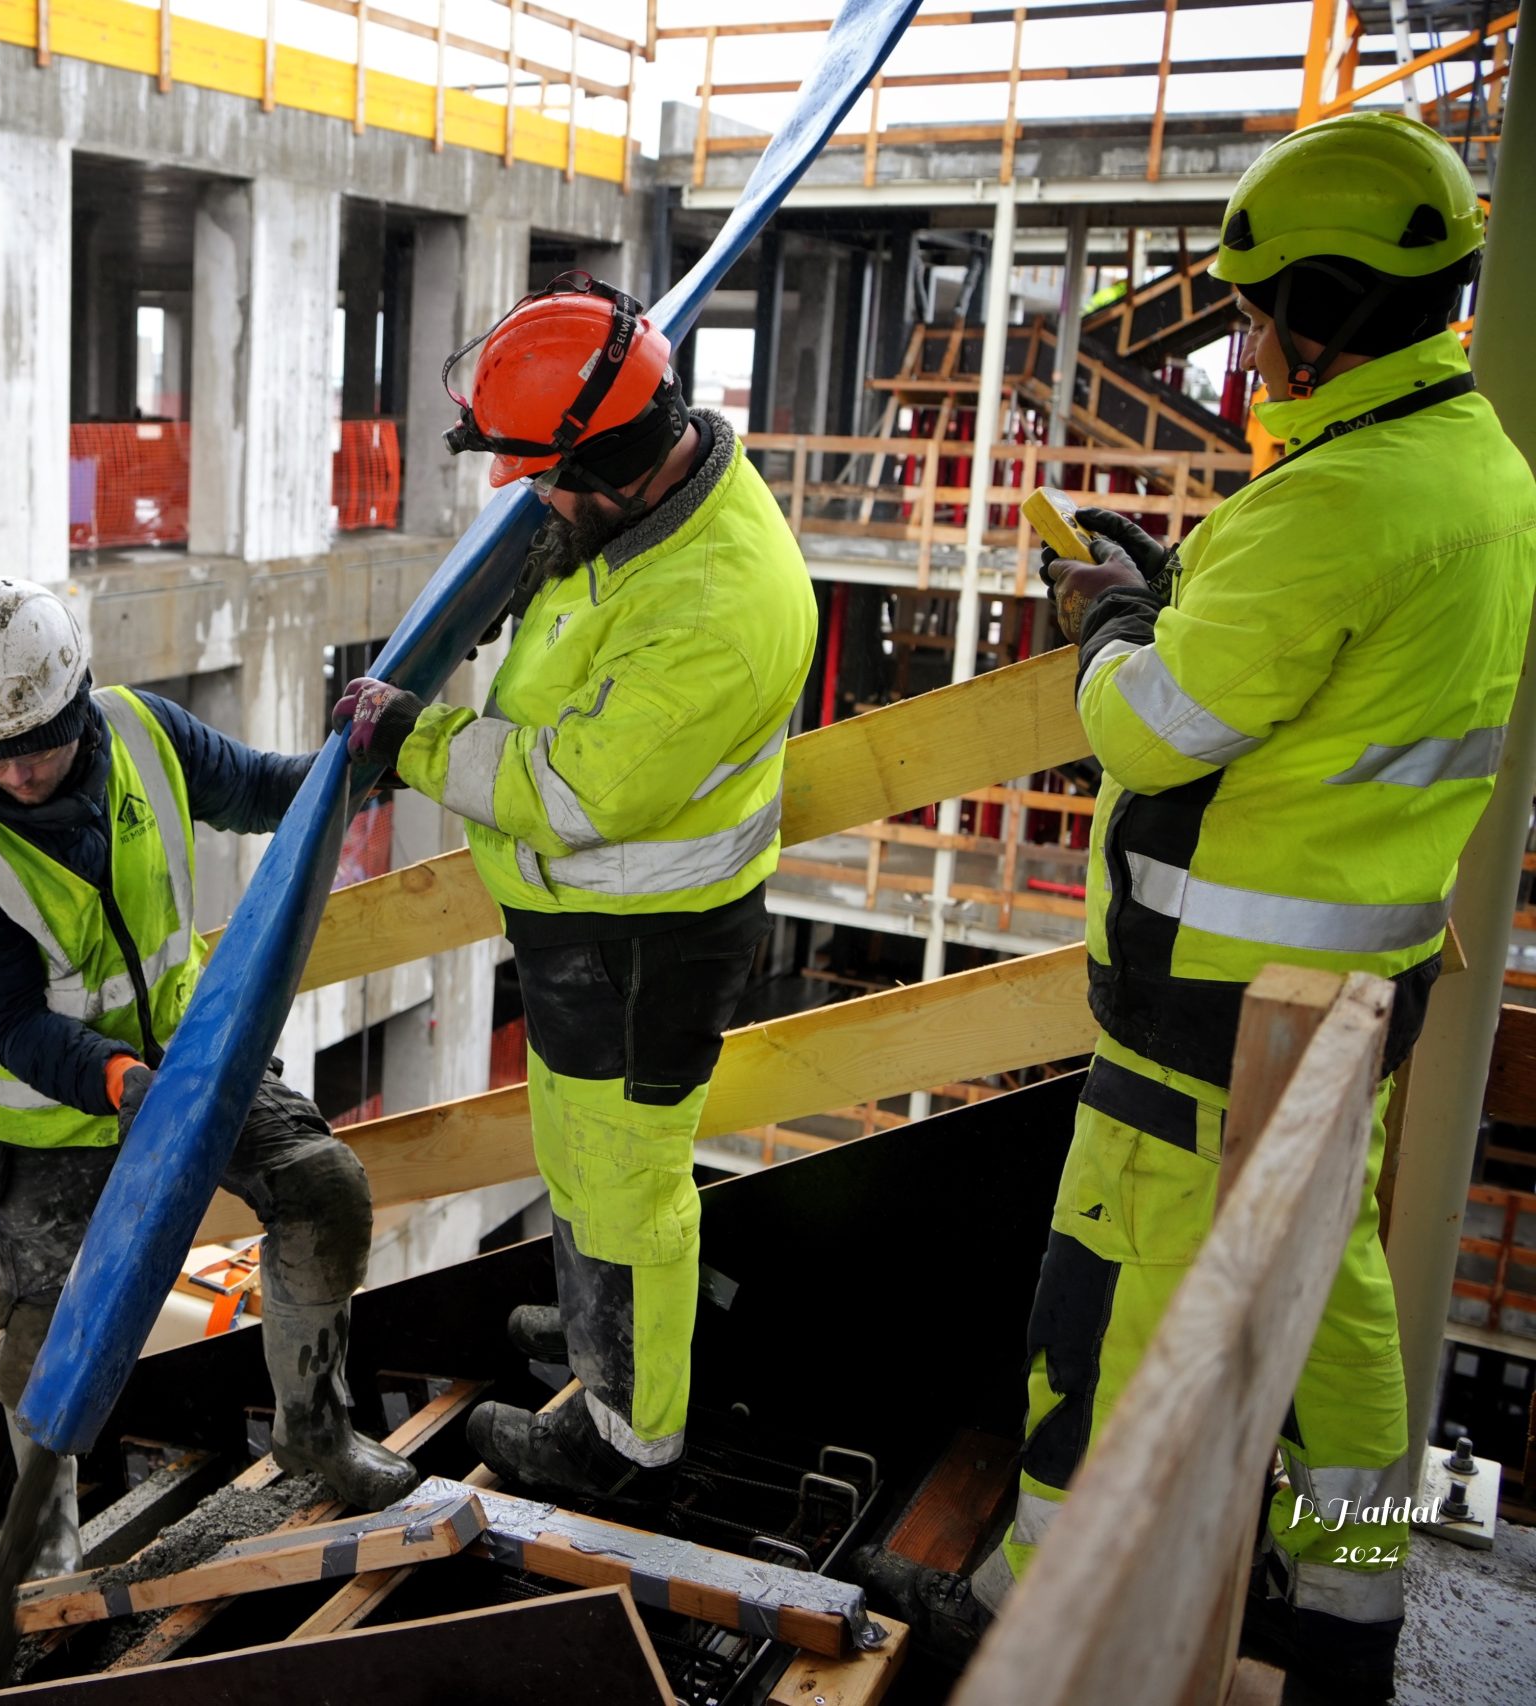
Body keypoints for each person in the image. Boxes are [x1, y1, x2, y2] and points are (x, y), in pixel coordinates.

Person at [862, 113, 1536, 1701]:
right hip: (1346, 989)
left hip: (1206, 1019)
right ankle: (1355, 1617)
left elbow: (1152, 727)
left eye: (1253, 314)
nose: (1242, 346)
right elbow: (1303, 681)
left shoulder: (1336, 501)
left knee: (1099, 1318)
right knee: (1336, 1310)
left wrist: (1106, 618)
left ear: (1321, 307)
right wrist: (1173, 601)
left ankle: (1037, 1617)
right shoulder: (1470, 461)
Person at [335, 273, 817, 1499]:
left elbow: (567, 788)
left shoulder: (717, 607)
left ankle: (624, 1438)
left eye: (547, 477)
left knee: (627, 1185)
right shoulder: (636, 509)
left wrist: (413, 736)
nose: (535, 502)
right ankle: (600, 1316)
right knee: (575, 1150)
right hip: (585, 933)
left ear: (611, 457)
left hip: (643, 944)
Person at [0, 578, 419, 1571]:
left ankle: (312, 1428)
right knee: (51, 1338)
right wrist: (123, 1082)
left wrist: (371, 760)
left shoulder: (139, 730)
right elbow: (9, 1024)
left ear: (78, 695)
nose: (19, 769)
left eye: (37, 738)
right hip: (45, 1125)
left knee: (323, 1188)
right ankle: (43, 1557)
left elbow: (266, 790)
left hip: (189, 1059)